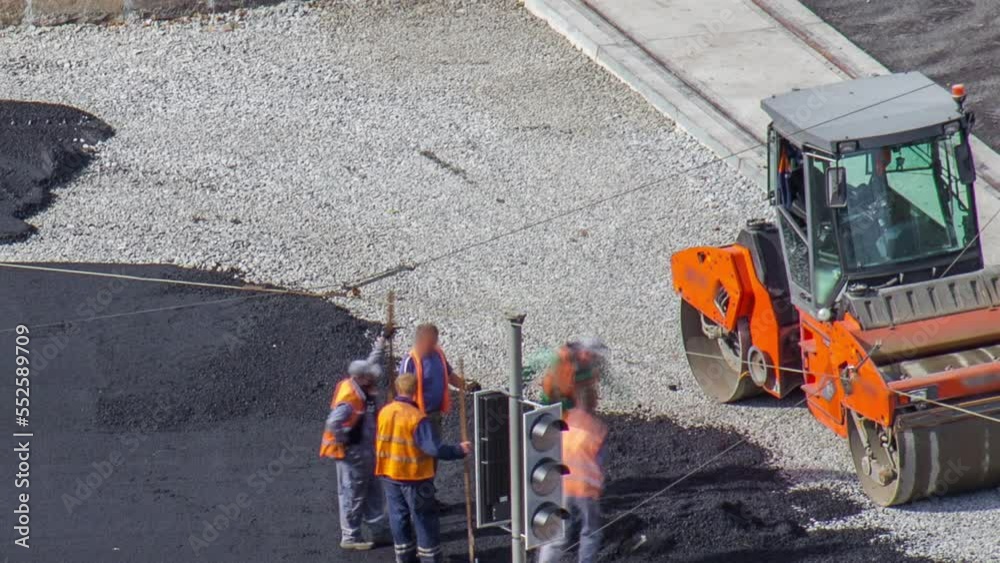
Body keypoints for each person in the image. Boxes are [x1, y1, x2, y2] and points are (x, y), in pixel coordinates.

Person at [375, 373, 472, 563]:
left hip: (389, 474)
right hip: (414, 477)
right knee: (423, 517)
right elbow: (434, 448)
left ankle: (404, 557)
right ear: (416, 390)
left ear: (398, 389)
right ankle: (430, 558)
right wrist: (458, 450)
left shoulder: (385, 412)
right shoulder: (417, 418)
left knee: (398, 517)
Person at [319, 334, 390, 551]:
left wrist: (381, 343)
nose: (374, 383)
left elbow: (370, 363)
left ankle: (379, 531)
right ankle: (350, 536)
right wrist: (346, 440)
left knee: (374, 491)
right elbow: (333, 422)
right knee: (353, 494)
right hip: (353, 454)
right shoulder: (350, 399)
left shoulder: (359, 383)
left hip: (368, 451)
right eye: (371, 379)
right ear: (361, 378)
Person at [538, 387, 608, 563]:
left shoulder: (566, 420)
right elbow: (600, 459)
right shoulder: (596, 428)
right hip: (586, 486)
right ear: (593, 402)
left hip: (562, 483)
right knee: (590, 531)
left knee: (557, 532)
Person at [398, 324, 479, 439]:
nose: (434, 344)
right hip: (417, 417)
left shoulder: (438, 355)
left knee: (435, 447)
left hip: (435, 415)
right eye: (431, 341)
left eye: (435, 340)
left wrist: (465, 386)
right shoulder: (410, 360)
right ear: (421, 340)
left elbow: (449, 375)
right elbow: (402, 390)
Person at [539, 338, 607, 411]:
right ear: (584, 352)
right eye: (593, 355)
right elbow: (554, 386)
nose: (595, 359)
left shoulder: (590, 365)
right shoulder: (564, 359)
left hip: (571, 398)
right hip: (555, 401)